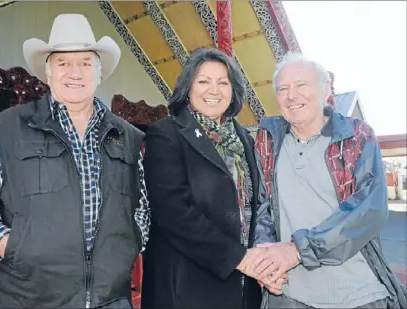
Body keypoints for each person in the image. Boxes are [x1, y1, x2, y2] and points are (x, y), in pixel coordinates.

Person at [0, 14, 150, 309]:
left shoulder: (127, 136)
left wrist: (130, 243)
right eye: (63, 63)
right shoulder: (8, 129)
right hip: (26, 299)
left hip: (111, 299)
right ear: (48, 73)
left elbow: (142, 207)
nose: (75, 72)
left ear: (99, 72)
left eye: (86, 63)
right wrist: (9, 245)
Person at [250, 52, 407, 308]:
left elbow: (369, 210)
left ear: (325, 91)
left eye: (301, 85)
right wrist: (267, 261)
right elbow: (263, 206)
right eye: (283, 88)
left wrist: (298, 249)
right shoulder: (269, 139)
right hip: (288, 295)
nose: (291, 96)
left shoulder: (356, 136)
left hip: (356, 294)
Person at [140, 47, 286, 309]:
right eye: (203, 81)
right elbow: (174, 214)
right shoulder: (166, 134)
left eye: (222, 82)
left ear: (233, 91)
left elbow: (260, 207)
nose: (213, 91)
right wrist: (242, 260)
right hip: (186, 288)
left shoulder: (245, 140)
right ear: (187, 87)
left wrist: (265, 264)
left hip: (242, 287)